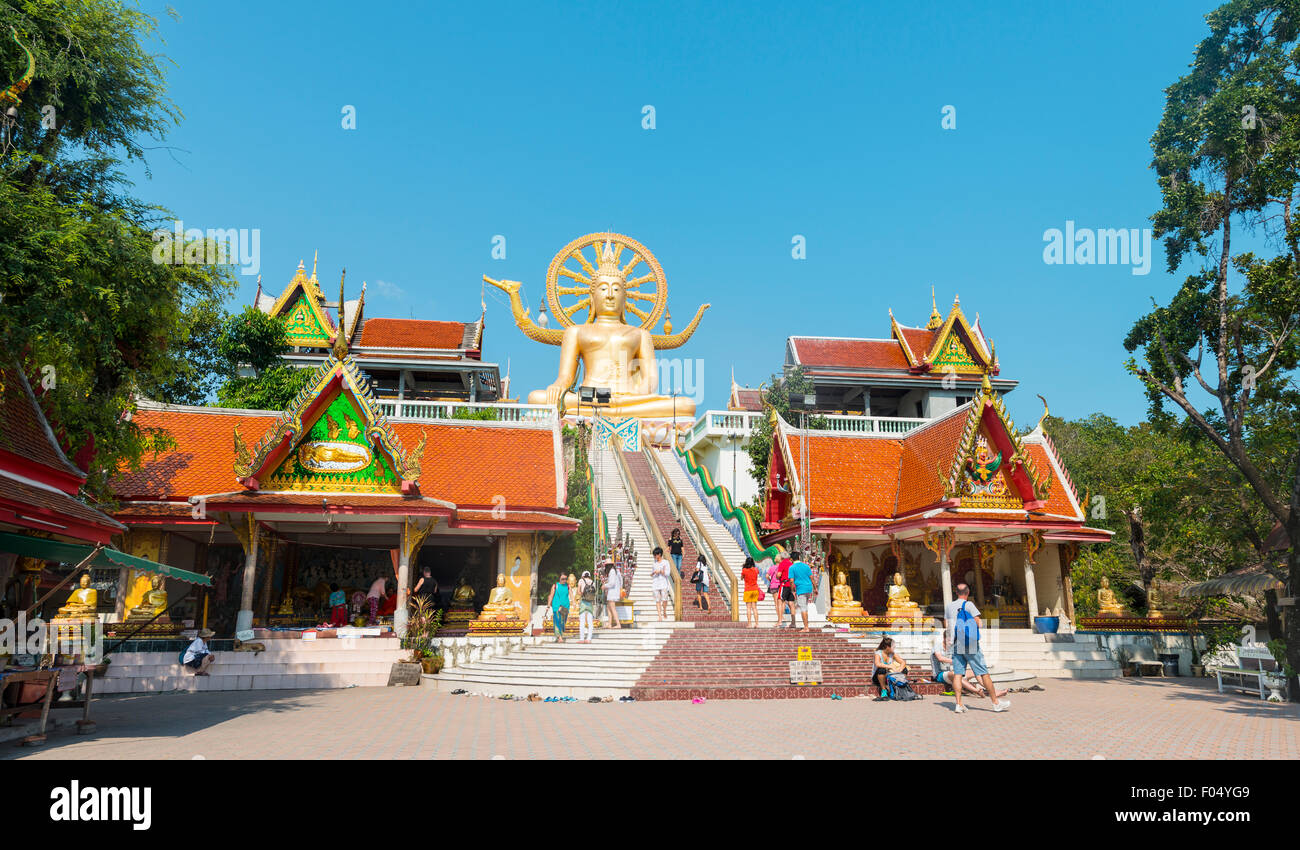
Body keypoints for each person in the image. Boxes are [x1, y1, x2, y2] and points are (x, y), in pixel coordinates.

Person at [945, 582, 1010, 714]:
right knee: (983, 672)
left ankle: (958, 704)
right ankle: (996, 703)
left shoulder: (949, 606)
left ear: (956, 593)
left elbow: (947, 624)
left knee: (958, 674)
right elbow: (978, 623)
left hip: (956, 643)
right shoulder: (969, 605)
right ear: (968, 593)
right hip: (970, 644)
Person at [931, 628, 998, 698]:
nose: (951, 642)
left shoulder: (952, 647)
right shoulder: (937, 645)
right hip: (939, 675)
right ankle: (976, 691)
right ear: (944, 638)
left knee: (974, 671)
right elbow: (940, 658)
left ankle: (992, 691)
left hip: (950, 673)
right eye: (949, 639)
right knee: (955, 674)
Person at [787, 550, 814, 632]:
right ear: (799, 557)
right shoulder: (806, 566)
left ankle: (806, 627)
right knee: (805, 607)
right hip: (809, 588)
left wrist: (793, 590)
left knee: (803, 608)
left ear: (791, 559)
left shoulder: (792, 567)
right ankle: (806, 625)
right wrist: (815, 588)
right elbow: (812, 578)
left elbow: (791, 581)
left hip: (800, 588)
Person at [767, 556, 791, 627]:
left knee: (776, 603)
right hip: (780, 585)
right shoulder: (782, 566)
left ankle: (779, 617)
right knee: (782, 602)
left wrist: (771, 580)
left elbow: (767, 576)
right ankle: (782, 616)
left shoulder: (772, 568)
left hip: (773, 586)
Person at [650, 546, 673, 621]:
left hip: (663, 583)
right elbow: (651, 574)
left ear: (659, 554)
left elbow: (668, 573)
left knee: (664, 600)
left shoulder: (666, 562)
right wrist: (654, 572)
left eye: (655, 555)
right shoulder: (654, 563)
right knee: (657, 600)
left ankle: (664, 611)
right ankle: (659, 616)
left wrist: (661, 571)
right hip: (655, 583)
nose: (655, 556)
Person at [547, 572, 570, 642]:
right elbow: (551, 595)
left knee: (563, 622)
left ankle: (560, 634)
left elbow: (571, 594)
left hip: (565, 606)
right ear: (559, 579)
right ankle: (559, 637)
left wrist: (574, 603)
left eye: (566, 579)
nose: (564, 580)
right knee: (557, 621)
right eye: (562, 579)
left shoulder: (567, 586)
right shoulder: (555, 586)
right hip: (556, 606)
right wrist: (548, 605)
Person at [576, 570, 597, 643]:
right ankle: (589, 639)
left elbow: (578, 592)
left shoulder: (581, 580)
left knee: (582, 621)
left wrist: (581, 594)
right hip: (590, 603)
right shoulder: (593, 582)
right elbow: (594, 593)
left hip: (583, 602)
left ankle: (582, 639)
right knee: (590, 621)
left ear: (583, 576)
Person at [741, 556, 760, 628]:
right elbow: (756, 574)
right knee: (754, 607)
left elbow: (742, 578)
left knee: (748, 608)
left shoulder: (744, 570)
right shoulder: (756, 570)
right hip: (755, 589)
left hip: (748, 590)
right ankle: (757, 623)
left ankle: (749, 624)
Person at [603, 562, 622, 629]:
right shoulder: (616, 571)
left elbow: (612, 583)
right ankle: (609, 623)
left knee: (613, 608)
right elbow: (620, 580)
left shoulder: (612, 571)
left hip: (612, 592)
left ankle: (618, 624)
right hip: (614, 591)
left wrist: (605, 586)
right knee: (609, 607)